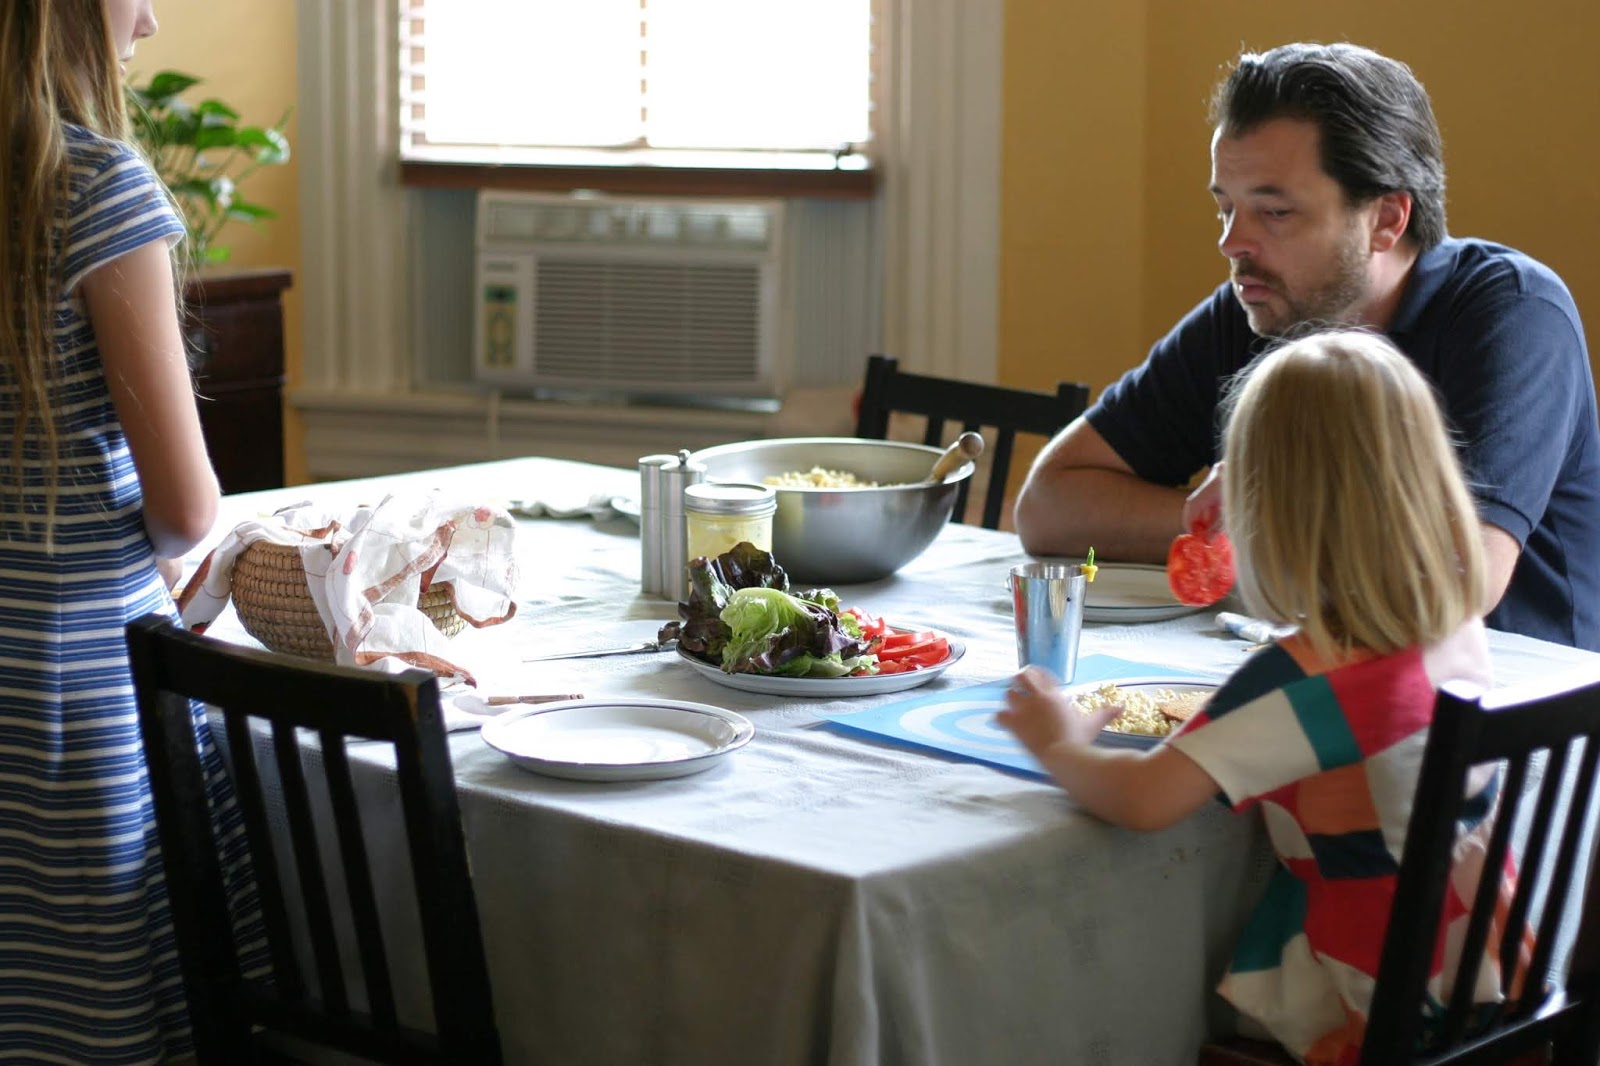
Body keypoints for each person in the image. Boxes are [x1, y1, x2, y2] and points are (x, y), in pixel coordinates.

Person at [999, 330, 1523, 1064]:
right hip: (1489, 964)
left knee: (1156, 1003)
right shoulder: (1452, 624)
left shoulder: (1305, 677)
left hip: (1388, 1004)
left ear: (1266, 512)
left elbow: (1145, 800)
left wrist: (1059, 744)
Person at [1012, 41, 1600, 652]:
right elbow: (1050, 507)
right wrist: (1247, 518)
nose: (1232, 243)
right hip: (1320, 683)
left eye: (1275, 212)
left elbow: (1458, 581)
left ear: (1386, 219)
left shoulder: (1512, 311)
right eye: (1226, 208)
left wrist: (1273, 510)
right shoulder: (1262, 304)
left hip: (1520, 717)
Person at [0, 1, 258, 1061]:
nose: (148, 19)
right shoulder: (95, 188)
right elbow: (187, 508)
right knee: (100, 1018)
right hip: (76, 679)